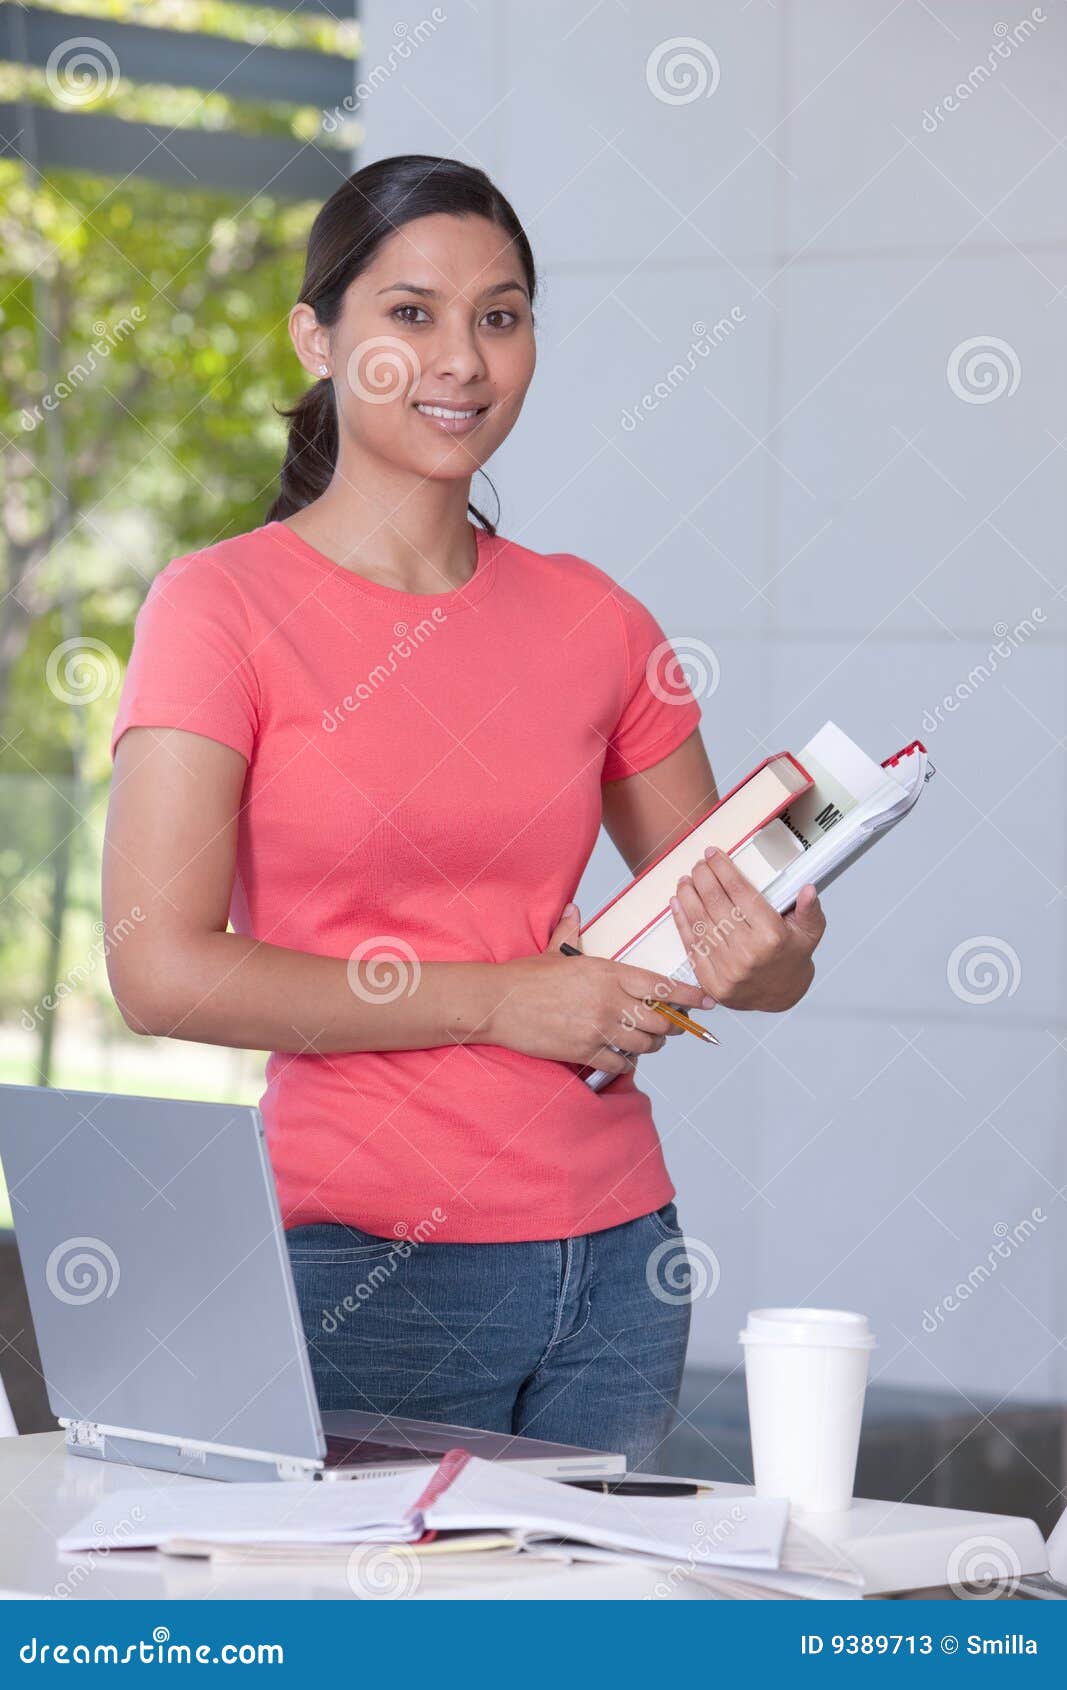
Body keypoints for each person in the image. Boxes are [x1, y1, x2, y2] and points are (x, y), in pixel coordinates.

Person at [103, 154, 825, 1469]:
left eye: (501, 314)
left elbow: (723, 933)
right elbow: (158, 970)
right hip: (367, 1266)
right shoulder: (219, 612)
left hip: (620, 1263)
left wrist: (771, 959)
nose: (464, 358)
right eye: (412, 313)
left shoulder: (598, 620)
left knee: (568, 1664)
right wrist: (503, 996)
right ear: (318, 337)